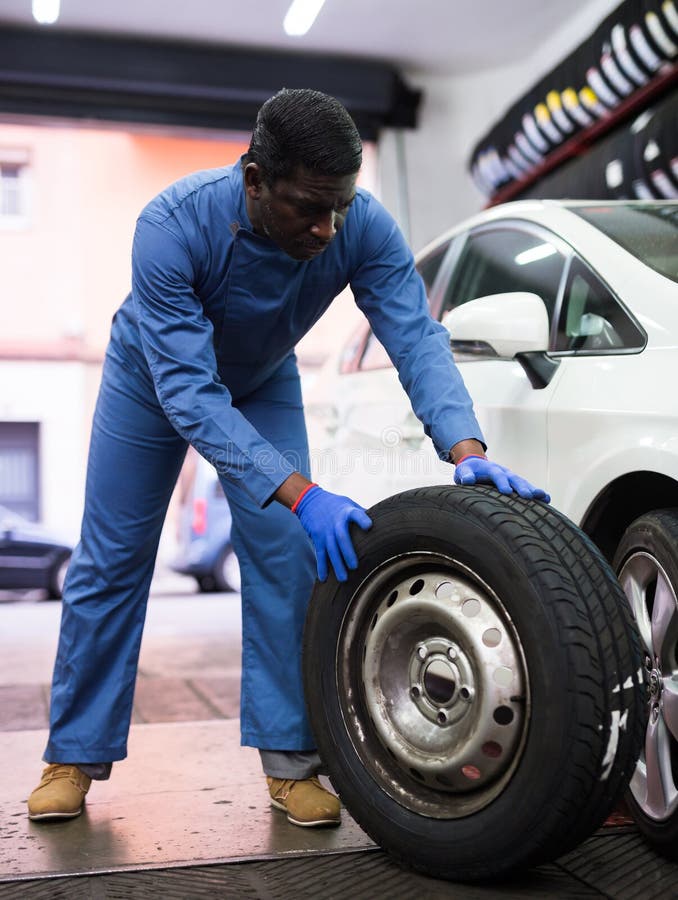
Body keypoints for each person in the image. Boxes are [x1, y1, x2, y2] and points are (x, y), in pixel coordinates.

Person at [27, 88, 549, 828]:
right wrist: (304, 492)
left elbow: (413, 334)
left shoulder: (359, 226)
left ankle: (289, 762)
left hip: (264, 376)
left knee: (283, 556)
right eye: (307, 207)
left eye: (337, 206)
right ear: (253, 179)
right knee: (111, 560)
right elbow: (191, 396)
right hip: (151, 380)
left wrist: (465, 446)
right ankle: (73, 754)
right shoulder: (172, 227)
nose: (324, 227)